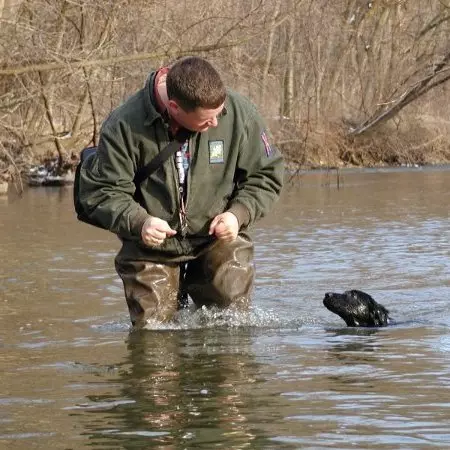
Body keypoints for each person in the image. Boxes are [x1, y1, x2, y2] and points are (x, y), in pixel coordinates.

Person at [78, 56, 284, 328]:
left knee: (231, 328)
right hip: (150, 246)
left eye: (219, 114)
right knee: (153, 342)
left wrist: (237, 214)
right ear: (175, 107)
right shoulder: (123, 125)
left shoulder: (240, 113)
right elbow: (102, 191)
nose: (215, 123)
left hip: (218, 238)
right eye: (206, 120)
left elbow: (265, 175)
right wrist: (140, 222)